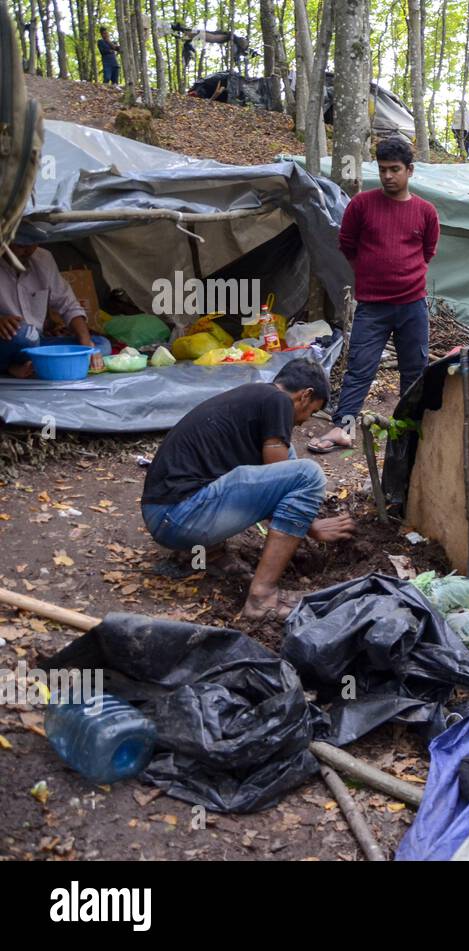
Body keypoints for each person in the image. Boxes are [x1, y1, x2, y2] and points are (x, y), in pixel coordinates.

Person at [140, 359, 356, 622]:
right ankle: (262, 598)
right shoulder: (278, 401)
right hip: (179, 516)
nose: (303, 422)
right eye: (310, 412)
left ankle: (208, 553)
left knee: (286, 456)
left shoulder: (254, 398)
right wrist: (312, 527)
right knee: (307, 474)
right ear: (305, 395)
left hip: (163, 514)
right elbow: (281, 483)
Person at [309, 137, 440, 453]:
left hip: (412, 305)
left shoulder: (425, 212)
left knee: (414, 370)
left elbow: (428, 252)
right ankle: (343, 428)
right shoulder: (362, 205)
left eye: (395, 170)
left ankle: (410, 432)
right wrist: (371, 274)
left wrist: (403, 276)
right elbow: (348, 245)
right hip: (372, 306)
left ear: (410, 170)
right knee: (360, 368)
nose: (388, 176)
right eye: (382, 170)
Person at [0, 241, 110, 378]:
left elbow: (68, 303)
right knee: (24, 335)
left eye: (32, 244)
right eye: (21, 246)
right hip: (11, 341)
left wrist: (86, 342)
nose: (27, 251)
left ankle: (32, 362)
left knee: (101, 345)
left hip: (37, 343)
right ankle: (9, 367)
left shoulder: (43, 258)